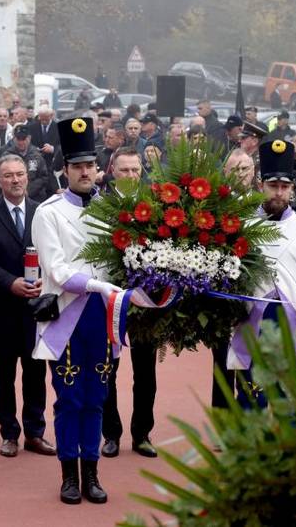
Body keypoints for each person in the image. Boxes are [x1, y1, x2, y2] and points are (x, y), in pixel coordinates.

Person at [31, 117, 120, 505]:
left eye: (90, 165)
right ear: (65, 170)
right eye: (78, 166)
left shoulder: (112, 211)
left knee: (97, 395)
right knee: (69, 398)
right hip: (66, 315)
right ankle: (69, 474)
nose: (85, 172)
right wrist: (96, 283)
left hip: (103, 316)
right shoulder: (48, 212)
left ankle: (92, 472)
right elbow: (55, 268)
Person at [226, 138, 296, 403]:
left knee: (289, 399)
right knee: (251, 398)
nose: (278, 193)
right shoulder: (240, 225)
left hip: (292, 321)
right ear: (261, 185)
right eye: (273, 186)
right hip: (250, 320)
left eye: (285, 187)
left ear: (292, 189)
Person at [0, 155, 55, 459]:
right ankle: (9, 433)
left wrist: (46, 278)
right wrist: (10, 282)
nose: (16, 180)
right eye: (8, 175)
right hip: (2, 307)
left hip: (38, 307)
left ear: (27, 177)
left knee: (36, 373)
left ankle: (35, 433)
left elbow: (55, 255)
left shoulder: (44, 212)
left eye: (20, 174)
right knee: (3, 375)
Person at [99, 147, 159, 459]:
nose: (131, 175)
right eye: (125, 170)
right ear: (112, 171)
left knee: (146, 373)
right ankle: (110, 434)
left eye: (136, 170)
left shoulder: (157, 206)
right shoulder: (99, 207)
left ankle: (142, 434)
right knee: (107, 370)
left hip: (146, 303)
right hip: (109, 302)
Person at [0, 124, 57, 203]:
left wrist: (28, 190)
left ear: (29, 138)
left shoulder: (37, 154)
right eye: (18, 139)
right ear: (14, 139)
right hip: (11, 197)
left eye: (24, 139)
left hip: (35, 197)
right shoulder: (6, 155)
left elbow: (44, 177)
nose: (21, 142)